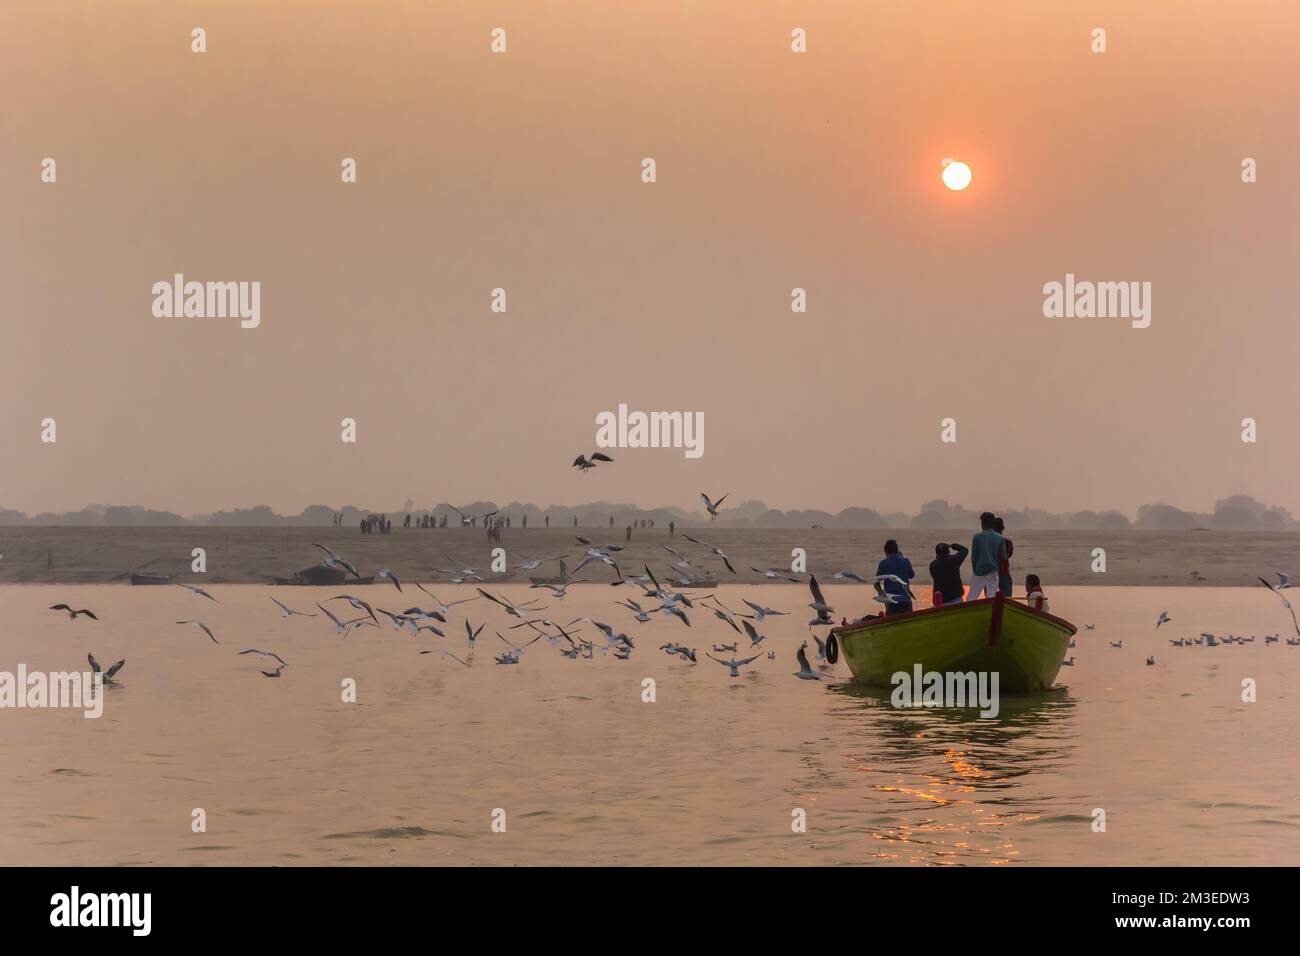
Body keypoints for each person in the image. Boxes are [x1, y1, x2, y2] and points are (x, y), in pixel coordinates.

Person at [967, 512, 1005, 600]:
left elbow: (974, 557)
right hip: (993, 571)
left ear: (983, 523)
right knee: (991, 597)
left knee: (972, 597)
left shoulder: (977, 537)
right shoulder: (1000, 538)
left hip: (979, 571)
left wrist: (975, 571)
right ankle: (991, 612)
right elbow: (1003, 558)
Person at [875, 539, 915, 615]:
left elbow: (879, 578)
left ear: (886, 552)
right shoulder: (906, 561)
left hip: (891, 601)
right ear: (897, 550)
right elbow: (911, 575)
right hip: (906, 599)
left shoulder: (883, 563)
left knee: (891, 623)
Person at [928, 541, 968, 606]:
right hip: (956, 598)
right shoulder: (953, 560)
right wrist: (952, 545)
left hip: (939, 600)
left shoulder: (932, 565)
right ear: (948, 552)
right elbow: (964, 550)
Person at [994, 516, 1014, 597]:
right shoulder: (1007, 542)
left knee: (990, 597)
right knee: (1007, 597)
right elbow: (1008, 555)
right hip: (1004, 572)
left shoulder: (989, 542)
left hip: (991, 572)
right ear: (1002, 528)